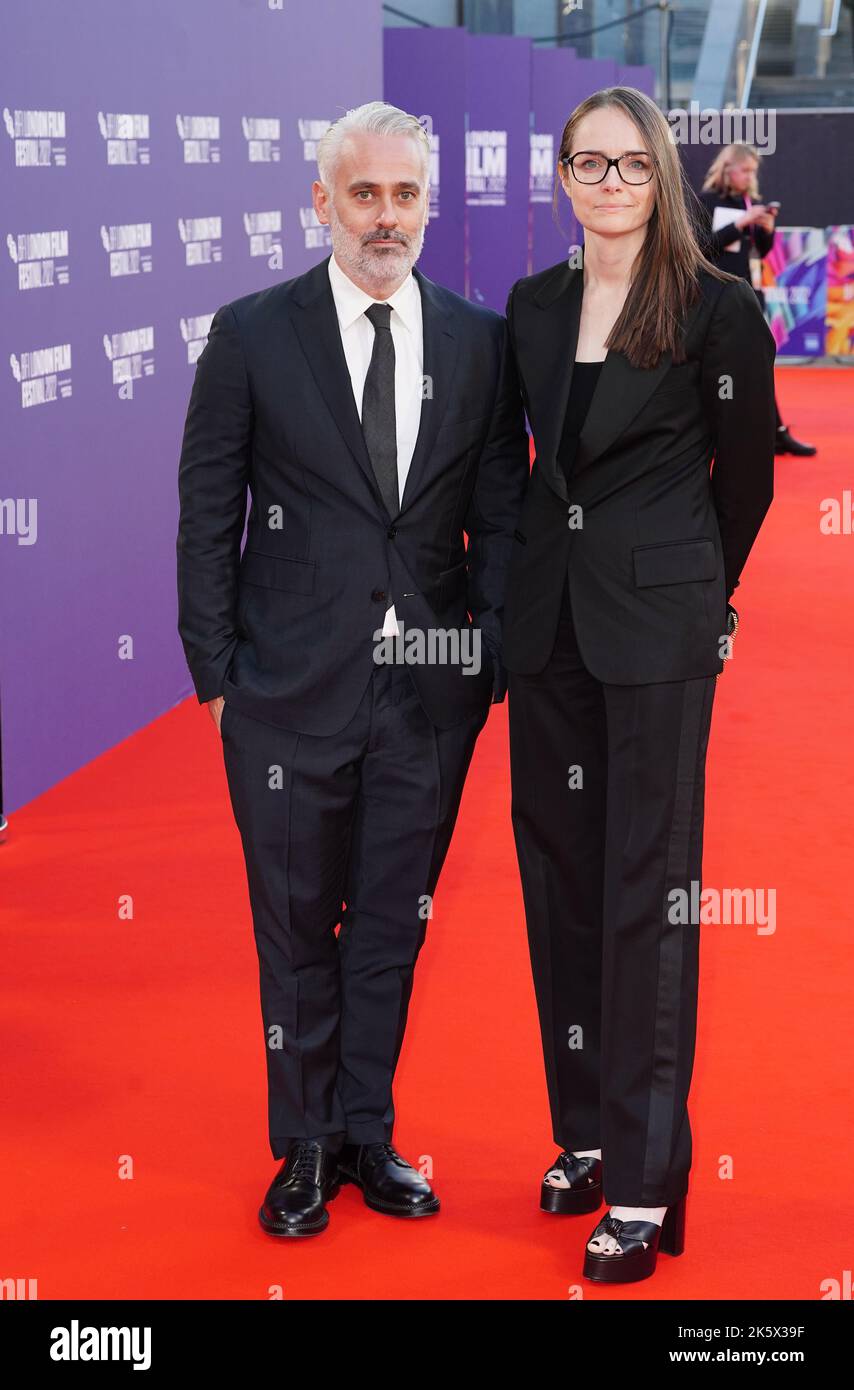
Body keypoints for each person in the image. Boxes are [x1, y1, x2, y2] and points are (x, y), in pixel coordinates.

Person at [176, 101, 529, 1238]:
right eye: (364, 193)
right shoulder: (251, 334)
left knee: (390, 921)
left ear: (431, 203)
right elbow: (203, 512)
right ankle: (305, 1143)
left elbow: (500, 513)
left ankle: (369, 1132)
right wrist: (218, 676)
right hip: (281, 691)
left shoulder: (479, 342)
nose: (386, 216)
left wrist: (477, 660)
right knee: (291, 928)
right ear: (319, 202)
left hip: (426, 692)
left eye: (405, 194)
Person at [502, 86, 776, 1284]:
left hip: (657, 633)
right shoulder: (531, 304)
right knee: (559, 879)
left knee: (645, 895)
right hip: (548, 628)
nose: (606, 183)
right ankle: (585, 1134)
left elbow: (748, 479)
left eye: (627, 165)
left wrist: (692, 596)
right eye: (585, 164)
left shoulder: (716, 312)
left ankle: (648, 1185)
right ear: (559, 175)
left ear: (659, 174)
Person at [697, 142, 816, 456]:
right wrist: (741, 223)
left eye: (753, 171)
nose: (750, 176)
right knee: (715, 366)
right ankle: (712, 436)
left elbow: (760, 252)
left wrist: (766, 228)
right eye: (745, 169)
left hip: (745, 294)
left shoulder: (749, 202)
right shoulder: (706, 201)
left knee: (758, 363)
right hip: (712, 294)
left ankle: (775, 431)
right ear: (728, 168)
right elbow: (702, 248)